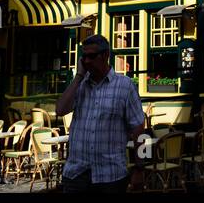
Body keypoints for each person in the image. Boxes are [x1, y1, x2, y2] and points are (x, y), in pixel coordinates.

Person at [55, 34, 144, 193]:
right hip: (76, 175)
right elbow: (60, 110)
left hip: (110, 176)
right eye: (84, 57)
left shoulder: (125, 86)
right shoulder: (80, 85)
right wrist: (78, 77)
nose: (87, 61)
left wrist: (140, 169)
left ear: (105, 55)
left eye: (92, 56)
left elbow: (140, 131)